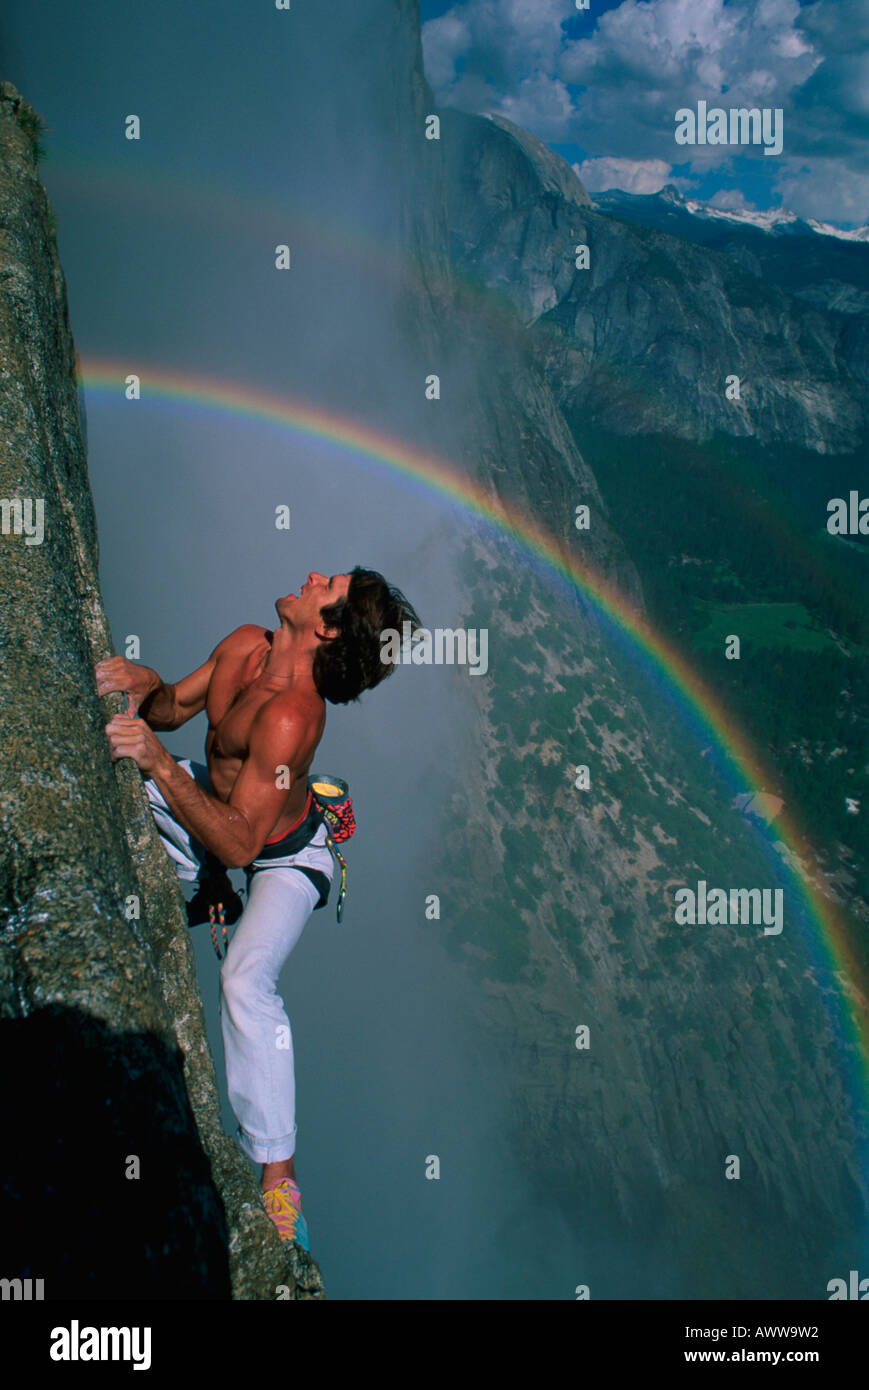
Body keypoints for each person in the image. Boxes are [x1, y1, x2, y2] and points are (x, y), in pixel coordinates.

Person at [95, 568, 420, 1252]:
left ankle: (278, 1175)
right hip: (222, 823)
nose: (309, 574)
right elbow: (173, 710)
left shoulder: (291, 717)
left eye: (326, 582)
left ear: (326, 628)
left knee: (245, 977)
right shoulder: (248, 645)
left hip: (283, 857)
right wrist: (142, 681)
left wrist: (159, 764)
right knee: (119, 758)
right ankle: (201, 886)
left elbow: (244, 843)